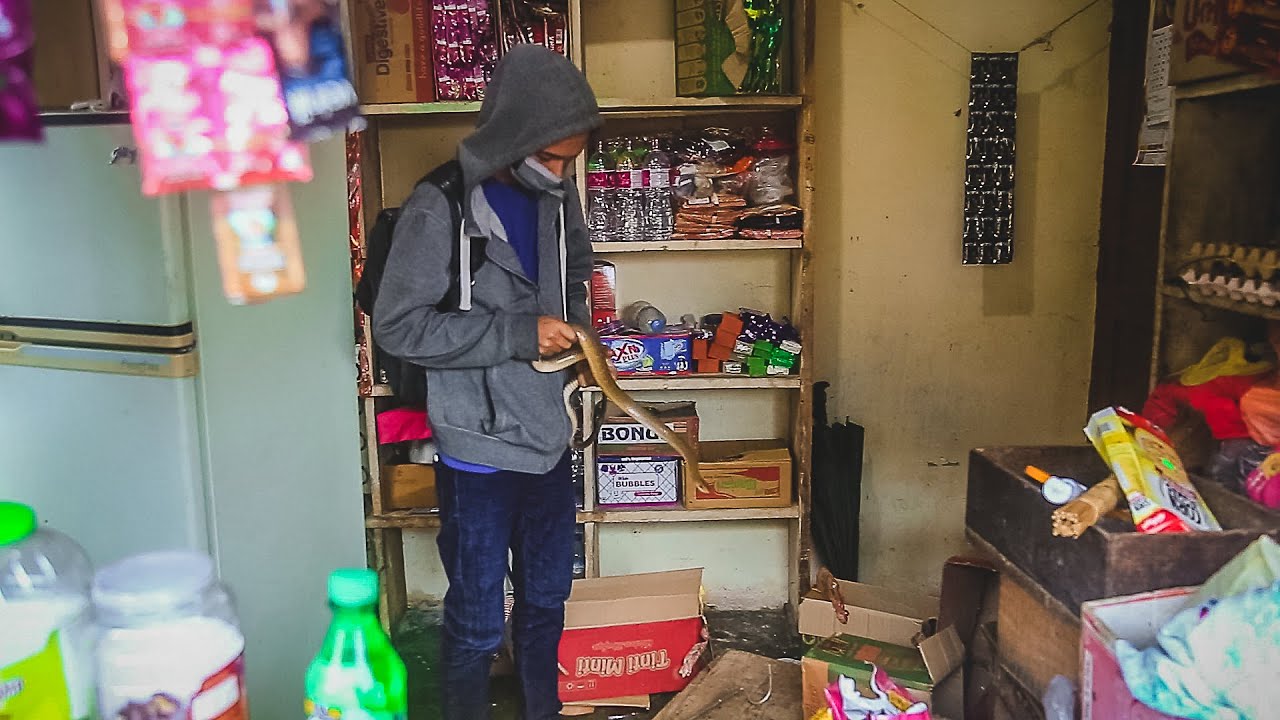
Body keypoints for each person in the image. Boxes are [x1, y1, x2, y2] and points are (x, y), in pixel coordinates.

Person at [373, 44, 601, 720]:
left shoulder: (556, 197)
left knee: (546, 603)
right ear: (512, 138)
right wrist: (517, 334)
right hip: (477, 451)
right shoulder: (438, 207)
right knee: (475, 624)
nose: (561, 173)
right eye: (551, 157)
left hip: (548, 440)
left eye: (570, 161)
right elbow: (399, 328)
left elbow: (578, 271)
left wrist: (579, 330)